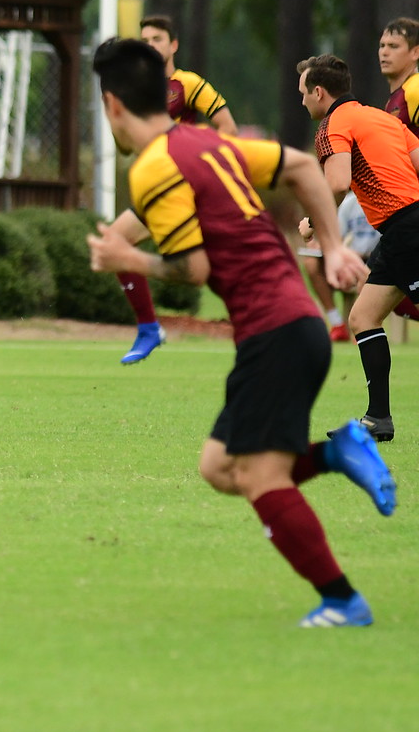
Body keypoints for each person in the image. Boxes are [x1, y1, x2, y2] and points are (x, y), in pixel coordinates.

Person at [87, 38, 394, 628]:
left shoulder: (151, 167)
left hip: (276, 330)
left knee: (256, 476)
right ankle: (338, 452)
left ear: (113, 106)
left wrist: (129, 261)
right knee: (218, 466)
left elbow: (192, 270)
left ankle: (342, 600)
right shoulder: (208, 142)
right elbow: (303, 166)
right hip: (290, 325)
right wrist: (331, 249)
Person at [104, 15, 240, 367]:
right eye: (144, 39)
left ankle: (262, 323)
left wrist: (212, 168)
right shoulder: (136, 91)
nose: (150, 45)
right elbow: (123, 148)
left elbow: (228, 126)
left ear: (173, 44)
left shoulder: (188, 84)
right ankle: (149, 328)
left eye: (157, 38)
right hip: (160, 189)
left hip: (192, 187)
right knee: (116, 242)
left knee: (220, 266)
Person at [297, 54, 419, 443]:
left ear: (319, 92)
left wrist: (314, 223)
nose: (301, 101)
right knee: (363, 317)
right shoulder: (384, 118)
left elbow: (335, 184)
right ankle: (378, 418)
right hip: (400, 230)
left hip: (407, 229)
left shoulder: (331, 125)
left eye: (302, 93)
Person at [298, 193, 379, 342]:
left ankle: (365, 327)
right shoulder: (349, 203)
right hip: (350, 259)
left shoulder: (386, 199)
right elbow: (337, 237)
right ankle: (337, 323)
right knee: (311, 262)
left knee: (368, 272)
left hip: (378, 260)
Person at [378, 16, 419, 135]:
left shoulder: (415, 88)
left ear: (415, 52)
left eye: (393, 46)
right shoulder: (399, 95)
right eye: (382, 46)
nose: (384, 52)